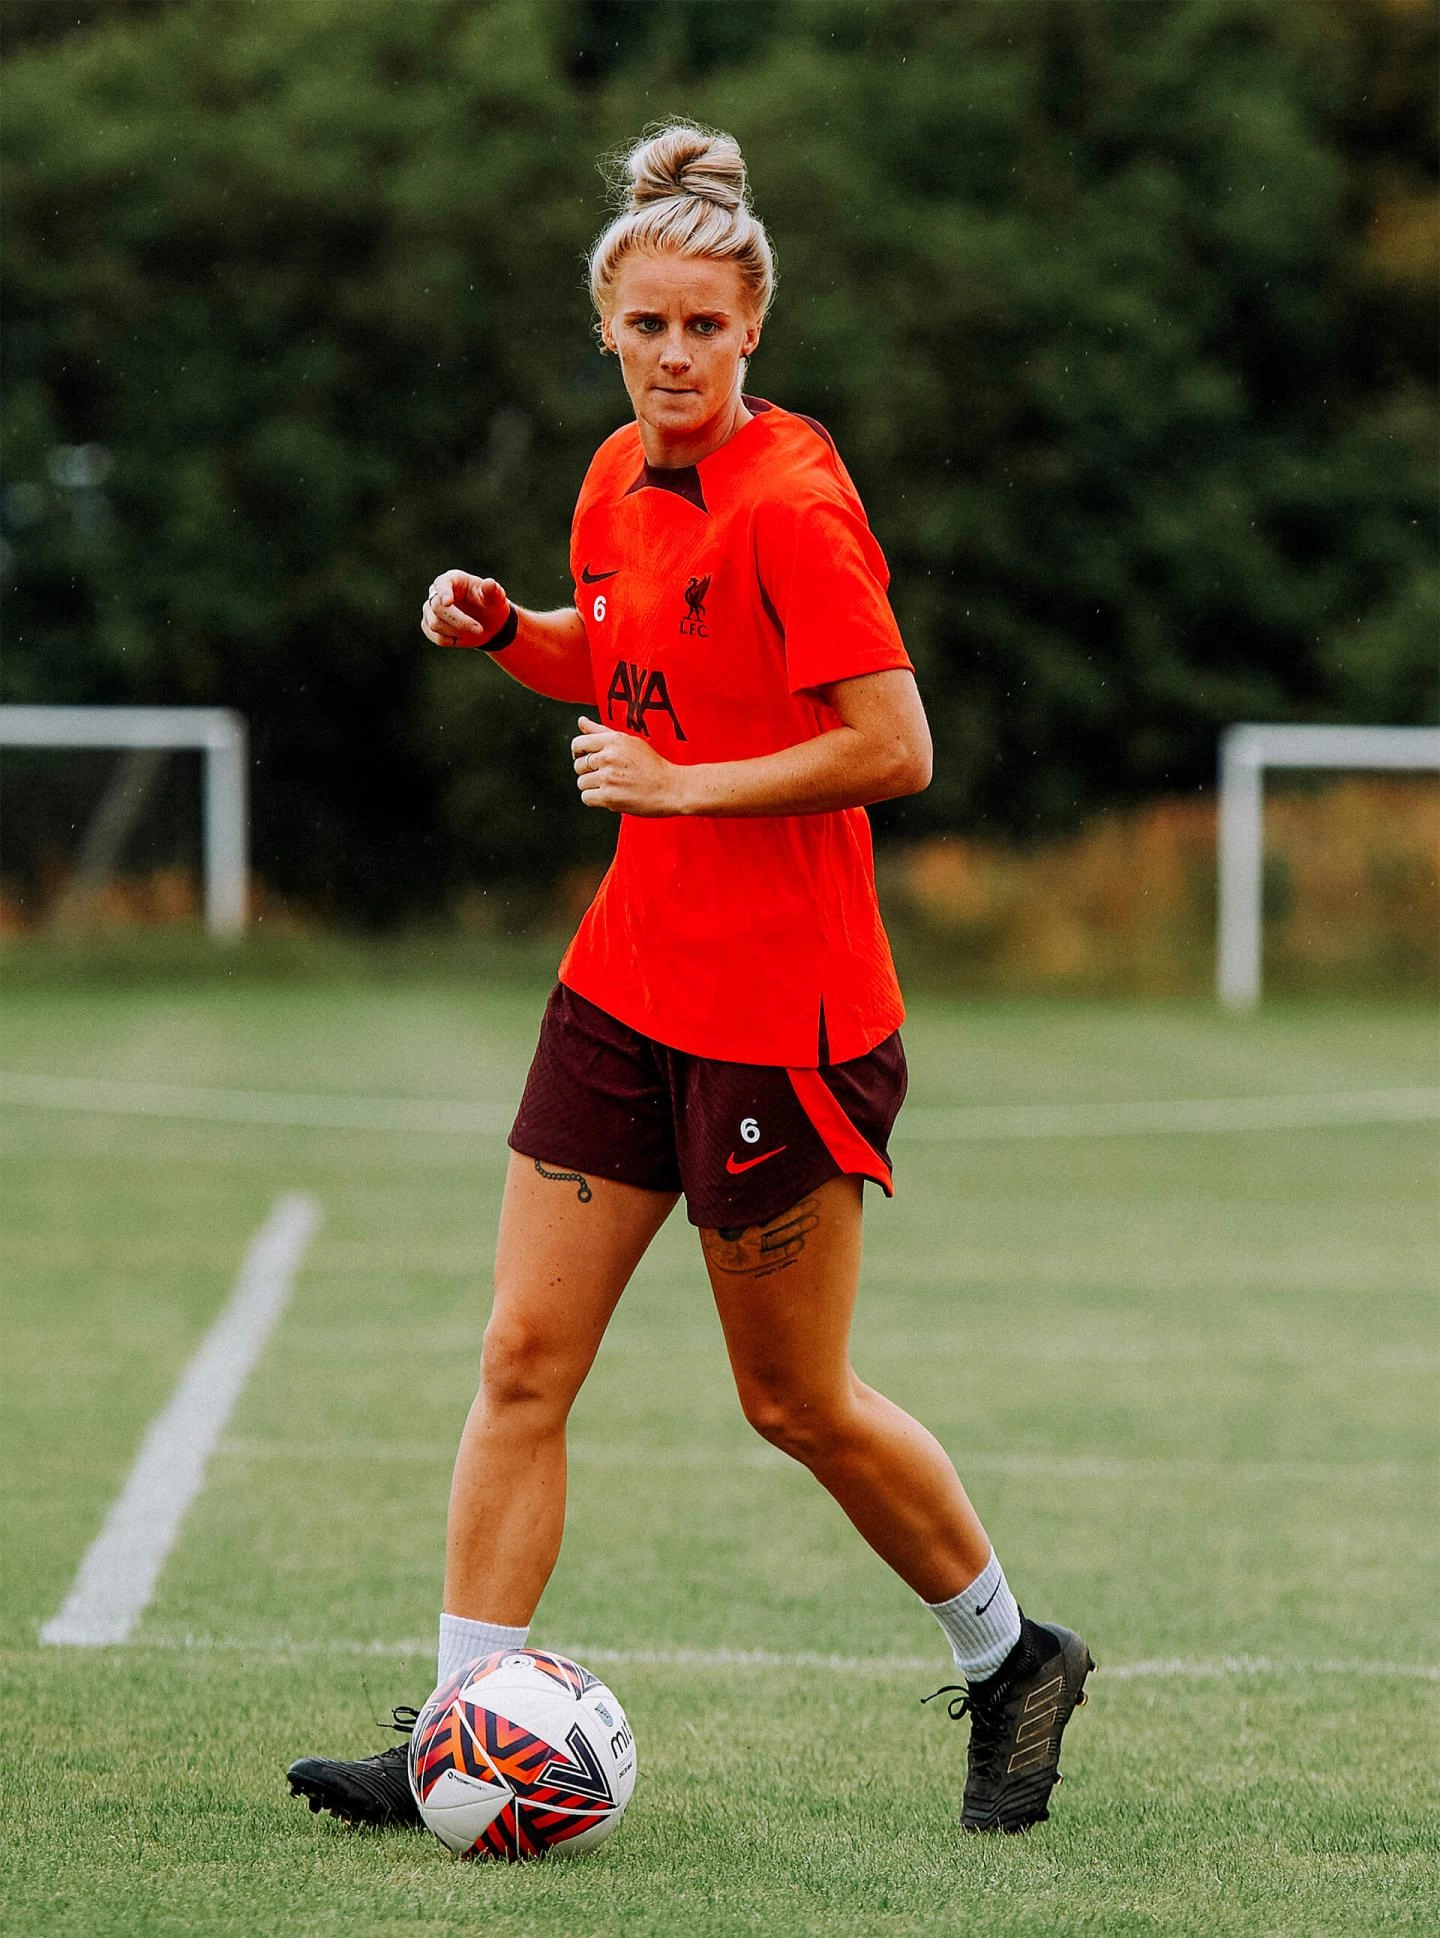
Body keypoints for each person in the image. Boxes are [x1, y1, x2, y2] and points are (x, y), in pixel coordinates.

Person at [286, 122, 1092, 1839]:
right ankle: (458, 1724)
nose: (672, 354)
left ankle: (1013, 1652)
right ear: (605, 324)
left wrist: (686, 789)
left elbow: (896, 746)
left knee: (792, 1400)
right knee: (519, 1358)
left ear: (752, 335)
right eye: (645, 325)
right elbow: (629, 658)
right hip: (626, 987)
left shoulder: (798, 507)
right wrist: (513, 633)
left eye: (702, 330)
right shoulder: (608, 476)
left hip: (784, 1022)